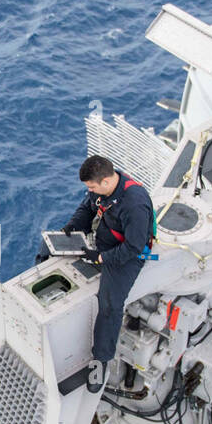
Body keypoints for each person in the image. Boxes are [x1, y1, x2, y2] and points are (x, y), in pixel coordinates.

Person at [43, 155, 155, 391]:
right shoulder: (102, 190)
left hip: (126, 254)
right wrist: (71, 228)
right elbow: (86, 208)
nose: (90, 190)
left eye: (92, 187)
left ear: (105, 182)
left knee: (110, 304)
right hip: (103, 239)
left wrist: (102, 258)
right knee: (46, 247)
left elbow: (134, 247)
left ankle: (101, 359)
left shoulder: (135, 204)